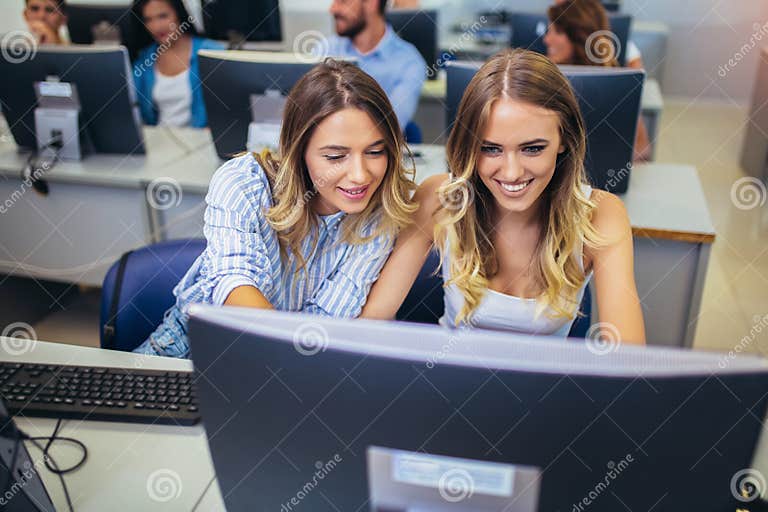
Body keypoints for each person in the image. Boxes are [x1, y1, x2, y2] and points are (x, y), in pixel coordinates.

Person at [134, 59, 417, 358]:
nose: (360, 175)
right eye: (335, 157)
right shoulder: (243, 182)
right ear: (298, 151)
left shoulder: (380, 212)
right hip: (192, 350)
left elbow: (330, 322)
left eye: (375, 152)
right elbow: (234, 284)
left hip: (292, 365)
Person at [362, 49, 646, 345]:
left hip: (545, 389)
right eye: (491, 149)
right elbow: (372, 322)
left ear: (564, 140)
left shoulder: (601, 214)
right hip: (450, 381)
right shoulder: (438, 199)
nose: (511, 173)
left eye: (532, 148)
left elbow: (629, 359)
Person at [544, 0, 651, 161]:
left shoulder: (616, 89)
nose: (547, 39)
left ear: (578, 36)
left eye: (557, 32)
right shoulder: (543, 79)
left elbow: (642, 151)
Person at [327, 0, 426, 129]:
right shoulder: (325, 49)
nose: (332, 9)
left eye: (343, 2)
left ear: (372, 3)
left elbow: (388, 127)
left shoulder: (409, 62)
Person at [130, 0, 225, 128]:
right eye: (148, 20)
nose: (156, 27)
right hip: (158, 140)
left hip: (202, 141)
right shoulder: (145, 59)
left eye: (163, 16)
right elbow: (133, 109)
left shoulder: (213, 53)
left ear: (179, 14)